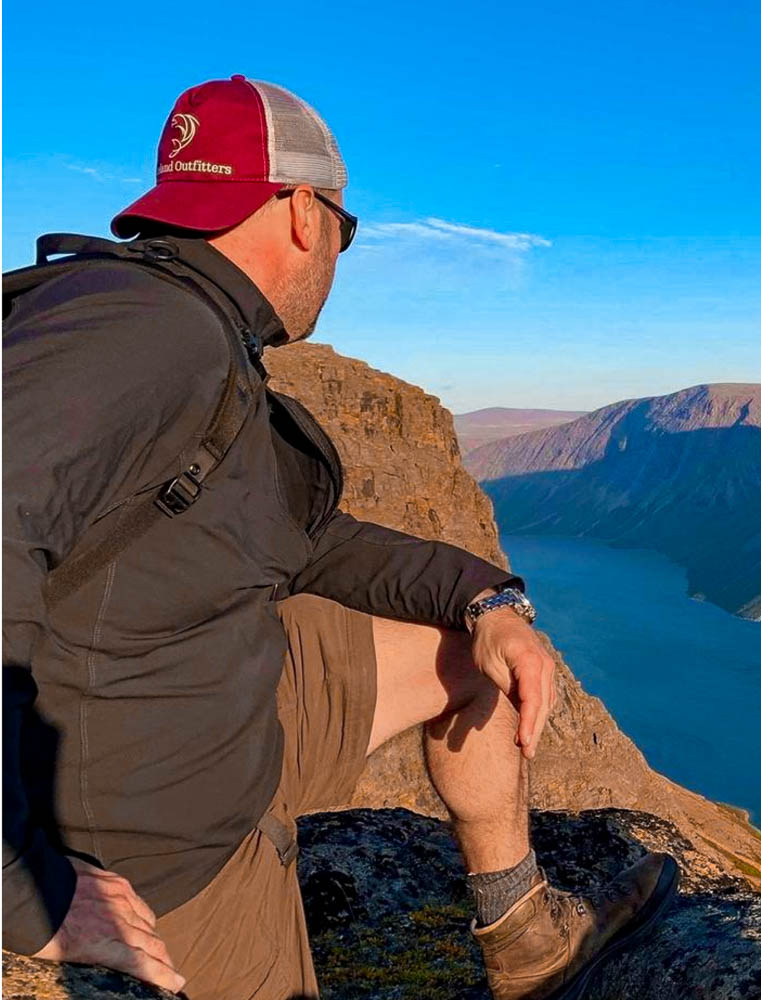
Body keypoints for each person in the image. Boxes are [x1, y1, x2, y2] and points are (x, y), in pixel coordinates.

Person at [2, 75, 678, 1000]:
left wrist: (484, 597)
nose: (339, 254)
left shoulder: (190, 331)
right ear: (302, 213)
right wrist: (18, 888)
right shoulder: (147, 332)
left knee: (471, 655)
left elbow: (299, 541)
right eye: (347, 230)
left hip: (203, 702)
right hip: (154, 839)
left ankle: (526, 937)